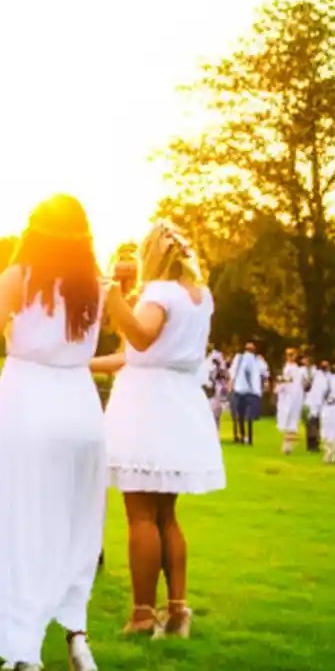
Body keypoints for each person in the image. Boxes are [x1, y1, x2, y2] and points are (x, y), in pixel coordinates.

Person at [0, 194, 104, 671]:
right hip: (82, 407)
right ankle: (78, 640)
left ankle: (25, 651)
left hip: (31, 404)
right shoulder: (95, 285)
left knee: (21, 525)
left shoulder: (19, 277)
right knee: (75, 528)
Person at [91, 221, 226, 640]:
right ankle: (178, 609)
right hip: (180, 401)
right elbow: (143, 351)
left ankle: (143, 615)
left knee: (141, 514)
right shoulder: (200, 296)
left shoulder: (159, 293)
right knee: (167, 514)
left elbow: (142, 338)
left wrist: (113, 298)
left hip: (147, 404)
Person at [228, 341, 268, 445]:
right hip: (250, 391)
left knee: (241, 415)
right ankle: (247, 438)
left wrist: (231, 384)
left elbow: (233, 371)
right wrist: (264, 384)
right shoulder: (256, 360)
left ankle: (243, 436)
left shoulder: (241, 358)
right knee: (247, 416)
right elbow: (265, 373)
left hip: (241, 389)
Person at [277, 348, 304, 454]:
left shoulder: (297, 369)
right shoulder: (287, 367)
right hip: (287, 397)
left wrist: (282, 380)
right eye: (288, 354)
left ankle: (288, 446)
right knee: (287, 421)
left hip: (294, 397)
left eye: (292, 355)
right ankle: (287, 445)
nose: (290, 357)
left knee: (292, 421)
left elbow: (291, 381)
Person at [303, 355, 325, 453]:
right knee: (309, 424)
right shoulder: (303, 372)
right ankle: (310, 444)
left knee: (315, 424)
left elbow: (322, 388)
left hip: (316, 401)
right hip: (308, 401)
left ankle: (315, 443)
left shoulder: (318, 373)